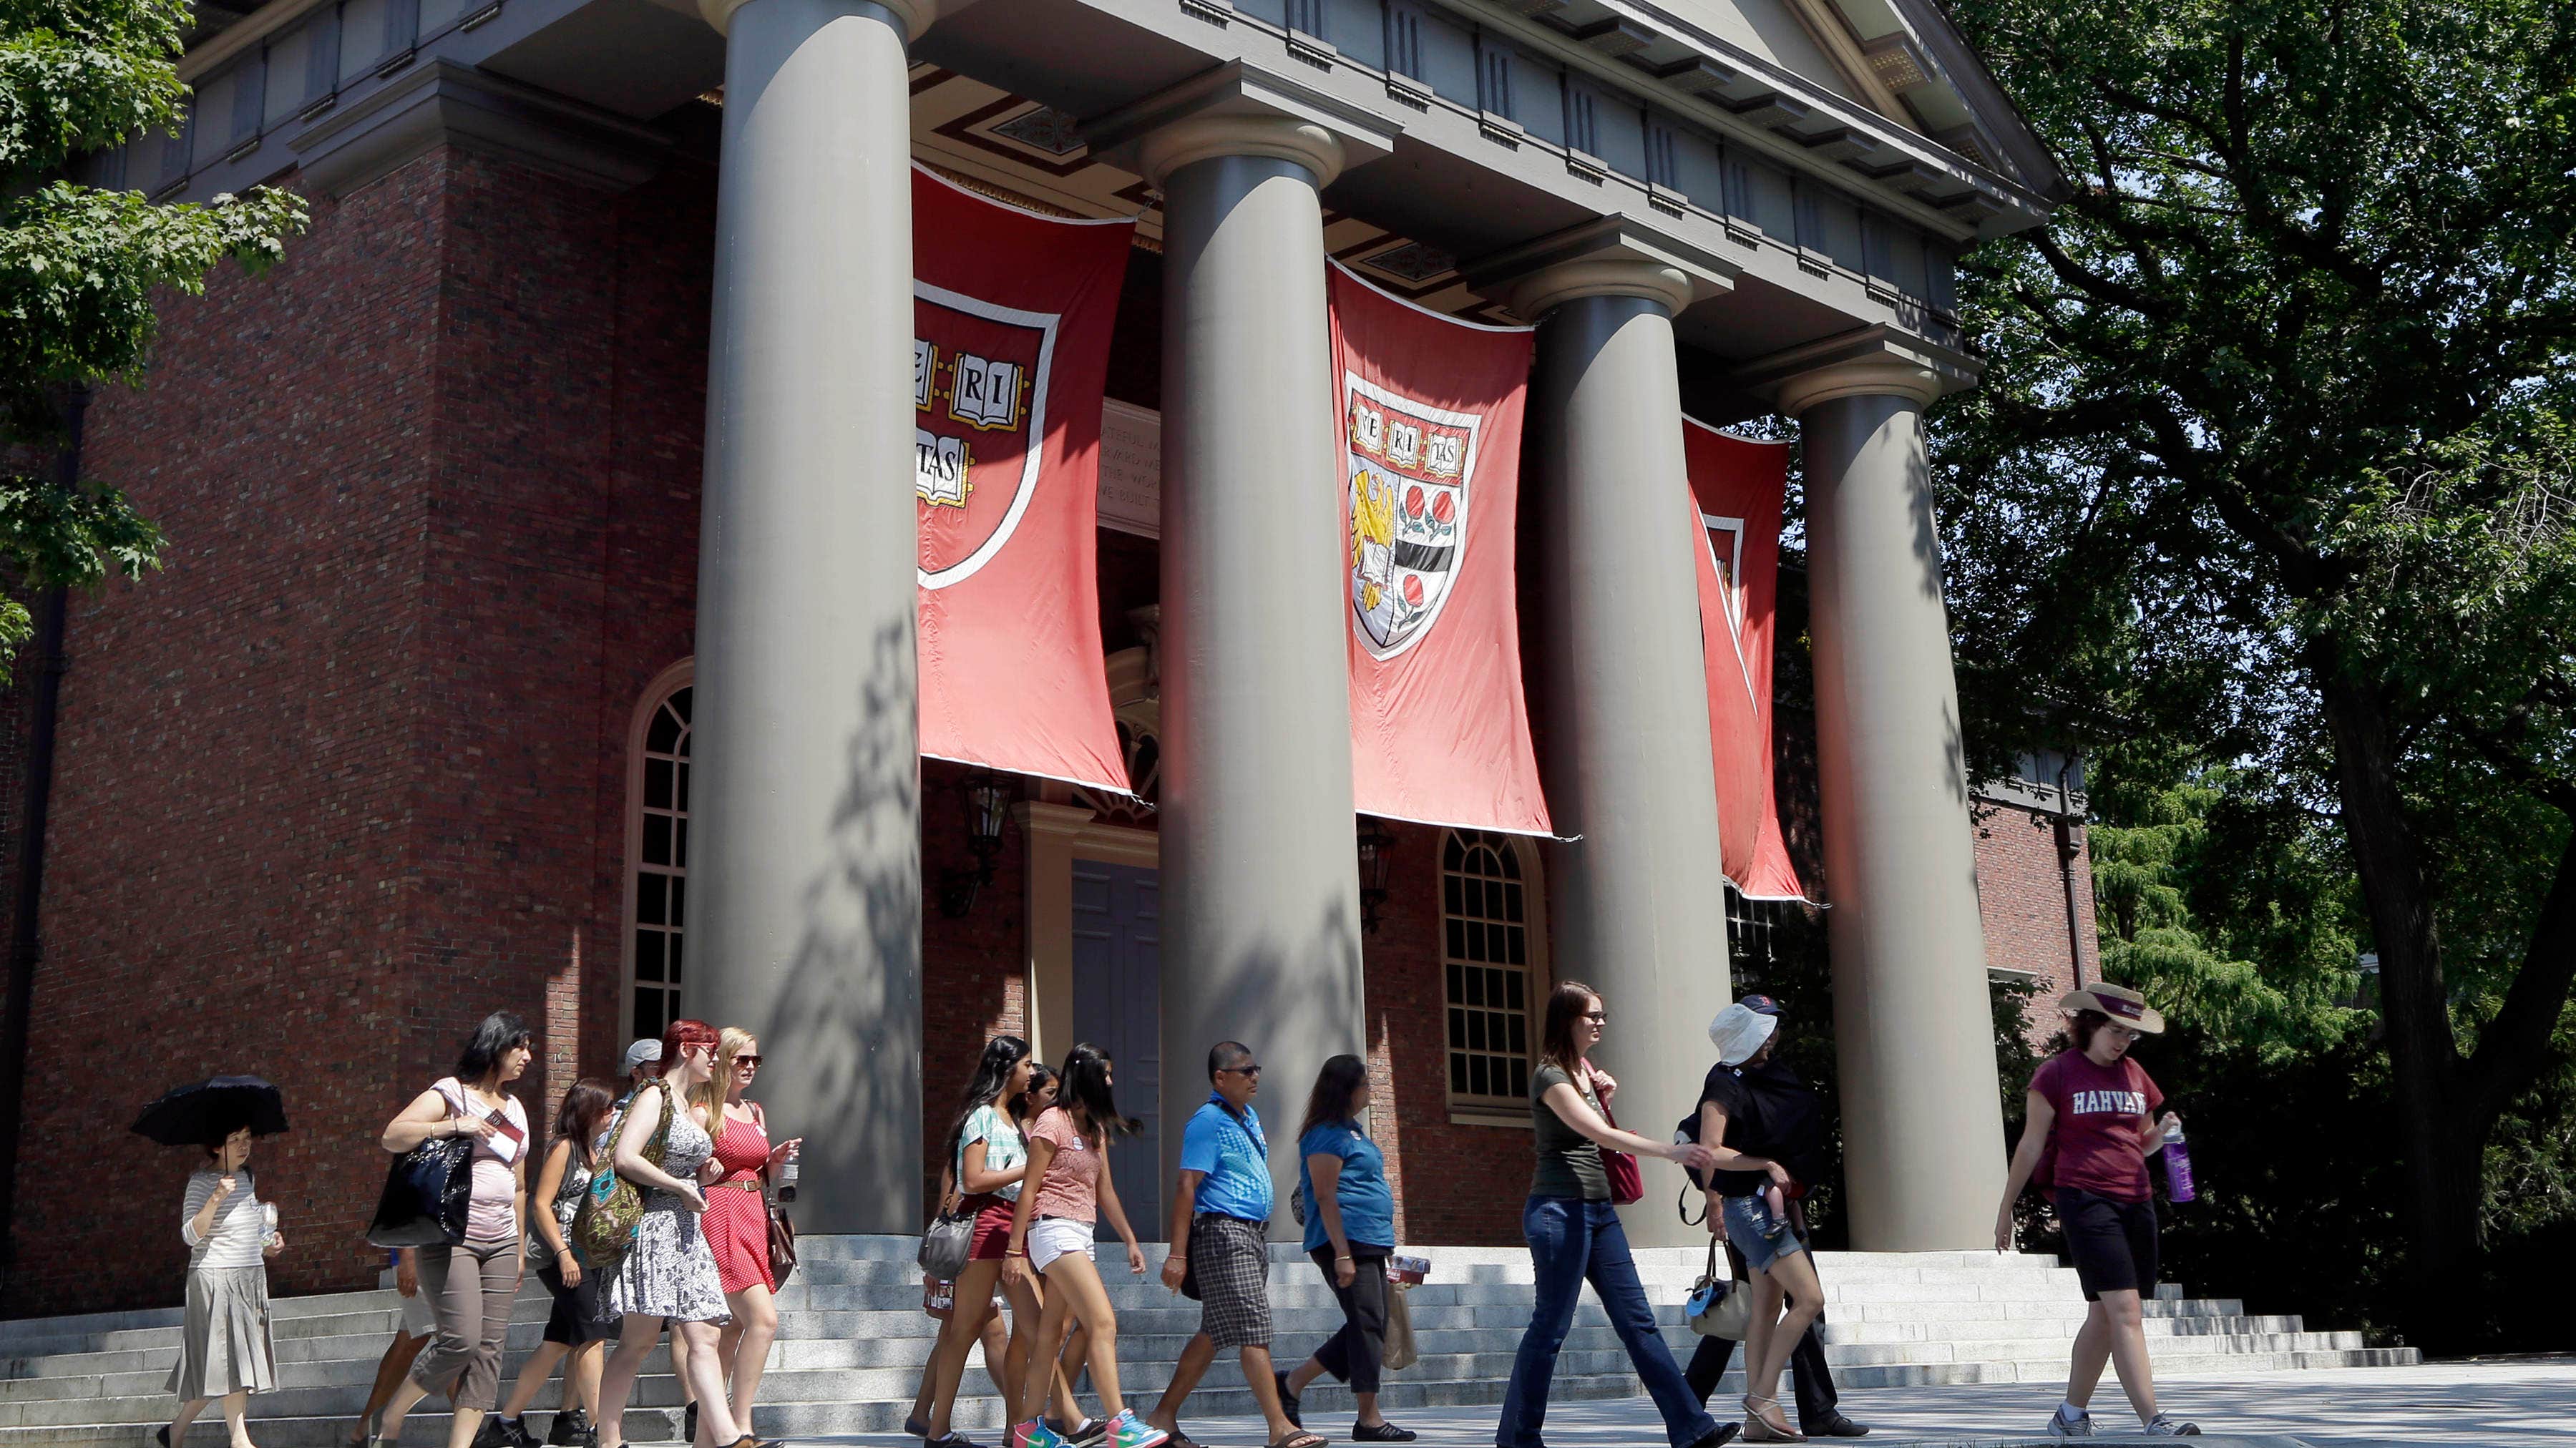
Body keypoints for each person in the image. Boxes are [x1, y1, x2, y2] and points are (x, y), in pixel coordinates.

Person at [1498, 982, 1727, 1448]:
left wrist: (1605, 1097)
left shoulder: (1585, 1071)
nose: (1601, 1023)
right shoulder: (1551, 1076)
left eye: (1603, 1015)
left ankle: (1690, 1427)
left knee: (1638, 1321)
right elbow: (1599, 1136)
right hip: (1558, 1213)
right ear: (1568, 1020)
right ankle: (1519, 1437)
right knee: (1551, 1327)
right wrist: (1670, 1150)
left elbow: (1597, 1133)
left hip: (1599, 1213)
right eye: (1592, 1016)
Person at [1995, 984, 2199, 1439]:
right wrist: (2005, 1208)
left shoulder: (2136, 1075)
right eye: (2115, 1030)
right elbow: (2030, 1145)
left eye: (2130, 1034)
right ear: (2089, 1024)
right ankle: (2154, 1420)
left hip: (2137, 1199)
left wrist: (2164, 1132)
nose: (2122, 1041)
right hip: (2084, 1199)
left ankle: (2069, 1415)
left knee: (2106, 1314)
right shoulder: (2055, 1074)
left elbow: (2142, 1144)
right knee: (2124, 1311)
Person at [1692, 998, 1864, 1442]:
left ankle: (1755, 1424)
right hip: (1748, 1210)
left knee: (1765, 1311)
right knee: (1809, 1299)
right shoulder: (1723, 1081)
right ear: (1748, 1035)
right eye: (1766, 1031)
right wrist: (1763, 1166)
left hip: (1767, 1208)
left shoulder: (1767, 1077)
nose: (1773, 1038)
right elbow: (1711, 1150)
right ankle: (1763, 1398)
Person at [373, 1014, 536, 1448]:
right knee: (461, 1341)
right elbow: (393, 1136)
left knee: (490, 1351)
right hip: (452, 1237)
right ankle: (393, 1413)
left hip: (502, 1239)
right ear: (495, 1047)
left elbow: (519, 1185)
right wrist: (453, 1125)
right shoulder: (451, 1093)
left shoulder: (516, 1108)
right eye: (520, 1047)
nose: (528, 1057)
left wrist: (520, 1247)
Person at [1142, 1042, 1316, 1448]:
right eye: (1246, 1070)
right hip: (1224, 1236)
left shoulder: (1248, 1117)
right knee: (1254, 1326)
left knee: (1215, 1333)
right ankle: (1280, 1428)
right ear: (1221, 1078)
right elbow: (1187, 1186)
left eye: (1257, 1068)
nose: (1255, 1076)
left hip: (1254, 1235)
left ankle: (1162, 1416)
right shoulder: (1206, 1121)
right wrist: (1177, 1254)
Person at [594, 1019, 747, 1448]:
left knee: (705, 1334)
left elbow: (677, 1162)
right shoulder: (654, 1094)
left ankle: (730, 1437)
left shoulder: (684, 1100)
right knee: (637, 1343)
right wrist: (679, 1185)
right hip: (653, 1229)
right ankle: (608, 1438)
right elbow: (625, 1157)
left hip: (685, 1229)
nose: (715, 1060)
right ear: (685, 1049)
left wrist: (704, 1172)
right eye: (710, 1050)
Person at [1002, 1045, 1164, 1448]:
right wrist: (1012, 1249)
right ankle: (1120, 1423)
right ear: (1087, 1076)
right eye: (1105, 1074)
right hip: (1051, 1231)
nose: (1110, 1082)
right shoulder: (1051, 1123)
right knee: (1103, 1322)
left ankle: (1026, 1430)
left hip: (1081, 1233)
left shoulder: (1094, 1128)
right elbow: (1030, 1189)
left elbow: (1104, 1189)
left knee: (1049, 1336)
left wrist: (1130, 1239)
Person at [1278, 1055, 1410, 1443]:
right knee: (1370, 1325)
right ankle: (1368, 1418)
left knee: (1369, 1324)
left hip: (1370, 1240)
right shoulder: (1324, 1134)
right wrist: (1341, 1254)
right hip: (1345, 1241)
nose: (1370, 1089)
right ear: (1346, 1088)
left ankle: (1292, 1383)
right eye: (1365, 1083)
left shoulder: (1352, 1131)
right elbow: (1324, 1195)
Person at [490, 1078, 623, 1448]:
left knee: (557, 1342)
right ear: (590, 1111)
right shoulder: (565, 1148)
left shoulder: (596, 1150)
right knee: (594, 1337)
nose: (613, 1114)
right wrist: (564, 1253)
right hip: (562, 1257)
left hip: (590, 1258)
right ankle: (602, 1433)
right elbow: (541, 1204)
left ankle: (506, 1422)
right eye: (607, 1107)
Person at [702, 1029, 802, 1441]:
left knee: (733, 1330)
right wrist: (703, 1171)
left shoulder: (755, 1111)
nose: (748, 1067)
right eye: (740, 1059)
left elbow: (760, 1176)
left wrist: (775, 1162)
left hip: (753, 1214)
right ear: (721, 1060)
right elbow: (687, 1166)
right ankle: (741, 1426)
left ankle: (708, 1435)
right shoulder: (703, 1109)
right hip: (720, 1213)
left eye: (754, 1061)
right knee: (763, 1320)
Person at [162, 1125, 281, 1448]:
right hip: (215, 1277)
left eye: (247, 1139)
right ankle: (240, 1440)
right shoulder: (201, 1182)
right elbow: (190, 1235)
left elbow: (250, 1225)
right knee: (232, 1358)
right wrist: (215, 1197)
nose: (244, 1146)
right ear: (217, 1147)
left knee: (225, 1362)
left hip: (249, 1276)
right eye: (235, 1140)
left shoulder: (248, 1177)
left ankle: (174, 1431)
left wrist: (268, 1243)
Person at [348, 1251, 434, 1448]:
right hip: (425, 1252)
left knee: (409, 1341)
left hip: (444, 1253)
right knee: (454, 1343)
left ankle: (365, 1429)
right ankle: (468, 1434)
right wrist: (408, 1257)